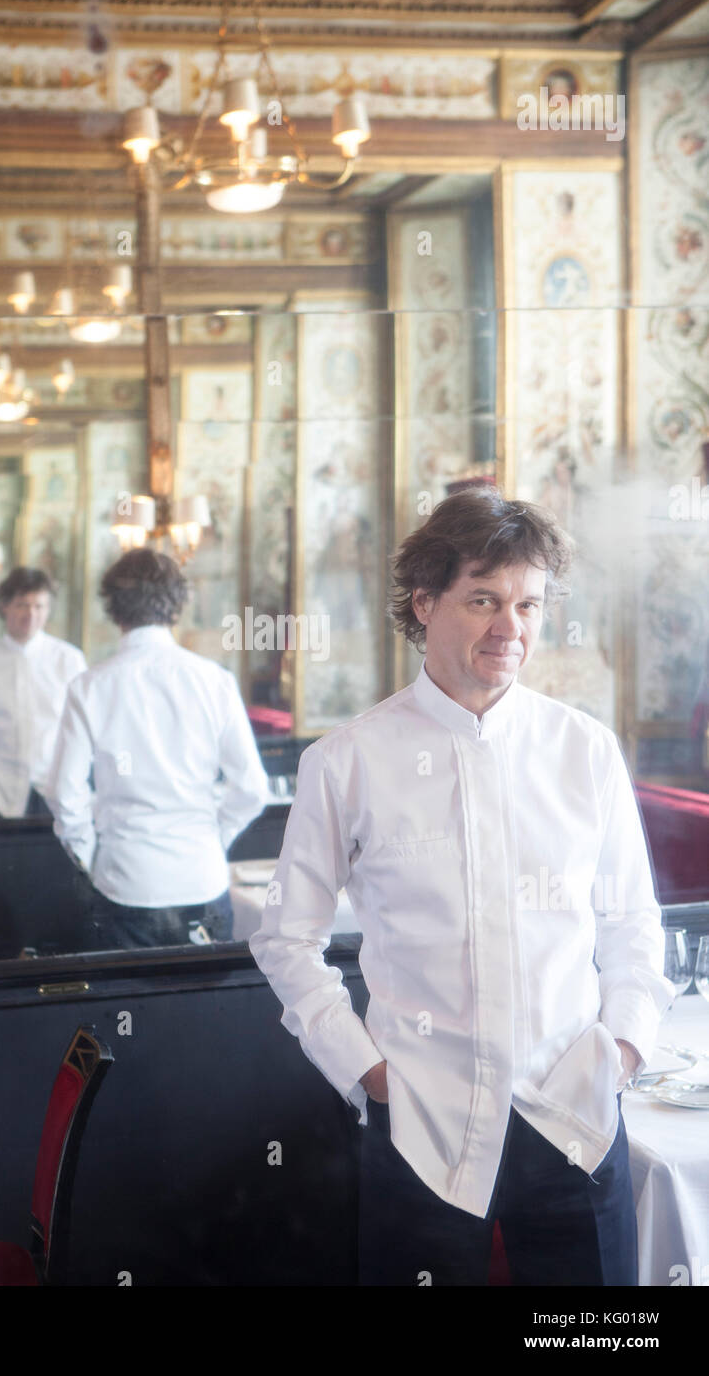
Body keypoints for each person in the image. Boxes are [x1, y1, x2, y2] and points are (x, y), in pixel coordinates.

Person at [249, 487, 673, 1287]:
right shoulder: (348, 761)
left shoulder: (584, 750)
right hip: (421, 1126)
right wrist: (366, 1070)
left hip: (574, 1116)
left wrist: (623, 1048)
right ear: (425, 602)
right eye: (483, 599)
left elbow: (630, 923)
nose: (509, 627)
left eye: (528, 604)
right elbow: (285, 937)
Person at [44, 548, 271, 949]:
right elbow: (252, 788)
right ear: (177, 605)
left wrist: (90, 854)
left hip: (125, 879)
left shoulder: (90, 686)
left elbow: (64, 794)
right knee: (205, 1011)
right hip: (201, 876)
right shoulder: (214, 681)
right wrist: (212, 837)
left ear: (113, 610)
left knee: (128, 1011)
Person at [0, 567, 86, 817]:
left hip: (58, 792)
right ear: (4, 606)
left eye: (40, 606)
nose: (31, 614)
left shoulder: (69, 660)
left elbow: (86, 726)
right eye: (22, 605)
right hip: (1, 794)